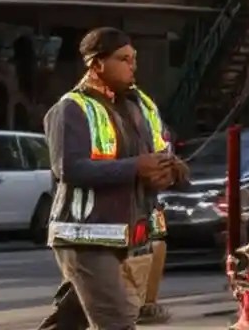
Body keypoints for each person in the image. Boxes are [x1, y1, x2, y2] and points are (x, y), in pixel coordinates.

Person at [38, 27, 189, 330]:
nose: (132, 65)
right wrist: (137, 167)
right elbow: (69, 169)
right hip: (85, 237)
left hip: (128, 236)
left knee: (70, 322)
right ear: (96, 64)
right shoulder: (71, 108)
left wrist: (170, 172)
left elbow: (161, 152)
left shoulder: (140, 105)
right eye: (123, 59)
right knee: (118, 322)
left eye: (134, 59)